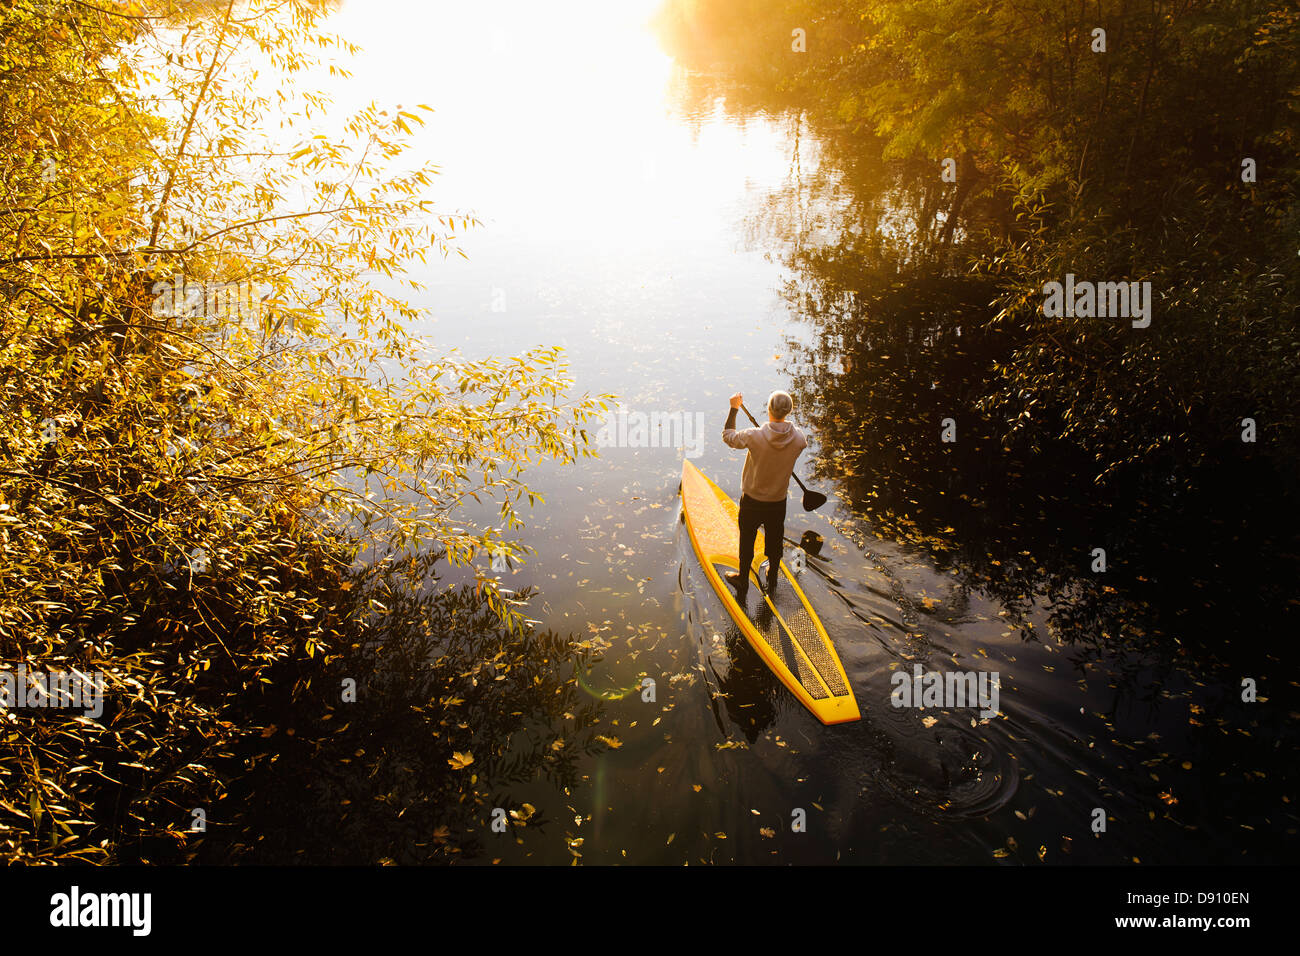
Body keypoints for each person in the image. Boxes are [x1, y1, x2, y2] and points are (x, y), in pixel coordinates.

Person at [721, 390, 807, 602]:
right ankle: (773, 573)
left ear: (769, 410)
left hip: (752, 500)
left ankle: (742, 578)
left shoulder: (754, 435)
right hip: (777, 502)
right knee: (775, 538)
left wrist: (734, 409)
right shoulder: (798, 439)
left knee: (747, 539)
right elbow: (798, 440)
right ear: (789, 411)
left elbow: (728, 437)